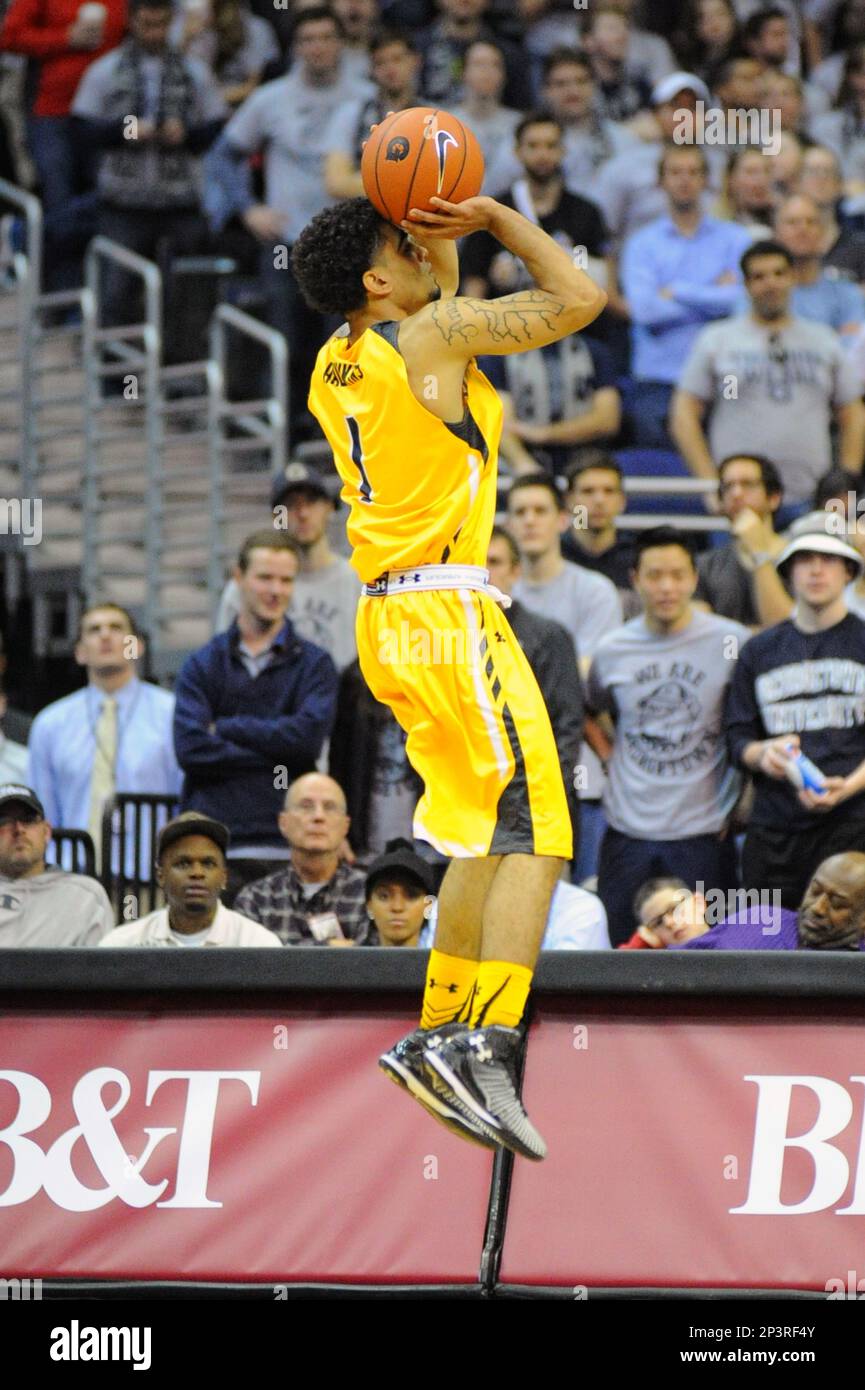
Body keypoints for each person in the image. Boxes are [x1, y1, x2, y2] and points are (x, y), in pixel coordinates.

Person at [290, 180, 606, 1159]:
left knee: (478, 831)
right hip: (449, 611)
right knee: (542, 829)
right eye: (407, 240)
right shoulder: (435, 335)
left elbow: (438, 301)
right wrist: (499, 217)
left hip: (387, 620)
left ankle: (440, 1027)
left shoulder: (339, 356)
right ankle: (490, 1045)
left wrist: (432, 239)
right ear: (383, 276)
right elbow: (577, 299)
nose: (431, 251)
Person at [203, 5, 374, 439]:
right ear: (295, 47)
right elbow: (223, 155)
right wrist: (246, 208)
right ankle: (282, 438)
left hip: (348, 244)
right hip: (287, 240)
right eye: (308, 40)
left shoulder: (365, 97)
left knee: (342, 346)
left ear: (341, 43)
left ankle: (336, 441)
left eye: (326, 38)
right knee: (285, 338)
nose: (318, 48)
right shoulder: (270, 98)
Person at [586, 527, 750, 943]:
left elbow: (751, 723)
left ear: (694, 579)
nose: (666, 587)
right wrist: (608, 755)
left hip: (703, 832)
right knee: (623, 951)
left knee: (711, 954)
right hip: (628, 831)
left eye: (678, 575)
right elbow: (590, 709)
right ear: (635, 579)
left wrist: (743, 799)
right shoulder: (612, 649)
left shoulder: (732, 641)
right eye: (655, 575)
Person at [173, 530, 338, 900]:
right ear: (238, 578)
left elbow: (307, 740)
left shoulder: (315, 665)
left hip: (287, 849)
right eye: (265, 577)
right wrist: (277, 751)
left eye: (286, 580)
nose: (276, 590)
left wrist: (228, 727)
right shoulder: (202, 664)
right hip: (214, 848)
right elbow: (191, 750)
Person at [70, 0, 227, 358]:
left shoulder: (194, 71)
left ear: (171, 22)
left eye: (160, 24)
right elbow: (81, 129)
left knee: (184, 292)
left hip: (180, 199)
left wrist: (184, 133)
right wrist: (128, 129)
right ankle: (116, 377)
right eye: (146, 24)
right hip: (123, 200)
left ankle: (177, 375)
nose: (153, 32)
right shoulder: (105, 70)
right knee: (116, 290)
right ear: (131, 22)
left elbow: (215, 129)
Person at [725, 521, 865, 909]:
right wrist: (763, 755)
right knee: (767, 947)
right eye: (804, 561)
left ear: (849, 571)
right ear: (788, 574)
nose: (816, 570)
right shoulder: (758, 651)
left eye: (828, 560)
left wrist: (847, 787)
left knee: (847, 949)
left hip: (854, 825)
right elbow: (736, 738)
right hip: (775, 832)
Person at [671, 239, 865, 509]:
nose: (770, 284)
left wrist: (846, 480)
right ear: (746, 285)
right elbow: (684, 414)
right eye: (759, 277)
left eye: (779, 274)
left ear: (792, 278)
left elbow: (852, 412)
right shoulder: (717, 341)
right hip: (740, 498)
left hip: (812, 497)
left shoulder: (824, 341)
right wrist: (710, 482)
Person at [507, 472, 623, 885]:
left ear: (562, 520)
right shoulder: (495, 589)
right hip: (505, 770)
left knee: (575, 895)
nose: (530, 521)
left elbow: (587, 682)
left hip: (580, 771)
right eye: (520, 512)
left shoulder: (594, 590)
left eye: (540, 511)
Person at [28, 601, 181, 868]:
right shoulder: (50, 724)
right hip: (70, 874)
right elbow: (41, 811)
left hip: (149, 873)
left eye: (116, 627)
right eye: (94, 629)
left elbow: (184, 803)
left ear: (137, 646)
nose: (106, 635)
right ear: (79, 652)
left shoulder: (172, 715)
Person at [620, 142, 752, 447]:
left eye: (694, 172)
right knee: (660, 478)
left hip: (724, 375)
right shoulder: (642, 244)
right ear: (661, 181)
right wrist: (713, 295)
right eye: (675, 172)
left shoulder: (736, 239)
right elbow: (645, 311)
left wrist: (677, 291)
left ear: (707, 180)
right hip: (659, 379)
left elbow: (742, 303)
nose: (684, 180)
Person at [486, 524, 584, 864]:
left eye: (494, 562)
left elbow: (567, 728)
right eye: (474, 562)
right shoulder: (448, 640)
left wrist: (546, 804)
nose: (484, 572)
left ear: (515, 571)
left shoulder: (548, 636)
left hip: (535, 811)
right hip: (470, 811)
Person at [215, 461, 359, 670]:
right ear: (277, 517)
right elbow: (222, 662)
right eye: (290, 505)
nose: (302, 514)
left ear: (329, 508)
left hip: (343, 696)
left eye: (312, 502)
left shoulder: (355, 580)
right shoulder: (247, 585)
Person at [99, 811, 281, 946]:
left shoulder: (258, 944)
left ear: (224, 877)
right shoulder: (123, 945)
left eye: (208, 863)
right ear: (160, 876)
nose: (197, 873)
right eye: (183, 863)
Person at [234, 773, 370, 943]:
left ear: (345, 826)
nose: (318, 816)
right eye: (306, 806)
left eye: (329, 807)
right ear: (283, 823)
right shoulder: (256, 899)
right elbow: (246, 966)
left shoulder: (370, 894)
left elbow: (377, 966)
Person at [676, 852, 865, 950]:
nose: (817, 908)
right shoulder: (758, 919)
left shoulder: (858, 970)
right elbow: (674, 963)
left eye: (837, 904)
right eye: (815, 892)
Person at [0, 784, 114, 946]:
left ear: (46, 832)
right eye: (4, 820)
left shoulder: (87, 896)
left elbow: (104, 967)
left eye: (28, 819)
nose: (19, 829)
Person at [322, 28, 424, 201]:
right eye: (380, 63)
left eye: (397, 59)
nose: (390, 69)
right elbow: (336, 183)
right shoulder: (351, 114)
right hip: (364, 220)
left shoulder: (436, 117)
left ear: (415, 61)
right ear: (372, 69)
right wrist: (411, 182)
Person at [695, 453, 788, 627]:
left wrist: (758, 552)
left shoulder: (800, 558)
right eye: (728, 486)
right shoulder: (706, 565)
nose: (736, 493)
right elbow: (702, 638)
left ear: (774, 498)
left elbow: (784, 631)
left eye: (748, 484)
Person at [773, 192, 865, 336]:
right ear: (776, 234)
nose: (803, 229)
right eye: (792, 222)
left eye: (811, 222)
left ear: (823, 234)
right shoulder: (761, 292)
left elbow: (851, 346)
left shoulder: (847, 293)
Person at [560, 453, 637, 599]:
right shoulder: (555, 553)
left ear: (622, 501)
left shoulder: (637, 555)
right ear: (569, 500)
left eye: (609, 491)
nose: (599, 500)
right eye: (588, 491)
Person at [363, 836, 435, 945]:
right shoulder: (346, 962)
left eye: (411, 895)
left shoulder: (451, 962)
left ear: (428, 906)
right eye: (384, 896)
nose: (397, 907)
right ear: (369, 906)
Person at [617, 877, 710, 949]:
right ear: (651, 934)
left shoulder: (724, 934)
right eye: (658, 923)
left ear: (698, 903)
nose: (669, 922)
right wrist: (639, 943)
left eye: (674, 909)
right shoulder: (661, 966)